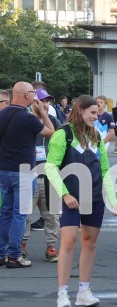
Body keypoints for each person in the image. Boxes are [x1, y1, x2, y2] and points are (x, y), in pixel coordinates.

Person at [45, 95, 117, 307]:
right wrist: (65, 194)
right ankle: (62, 293)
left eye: (97, 113)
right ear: (80, 111)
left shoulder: (96, 136)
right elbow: (50, 167)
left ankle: (84, 291)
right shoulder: (62, 134)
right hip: (71, 198)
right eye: (92, 113)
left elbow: (105, 170)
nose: (96, 116)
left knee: (90, 242)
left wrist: (112, 200)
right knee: (68, 242)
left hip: (94, 197)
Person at [0, 82, 55, 268]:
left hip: (4, 169)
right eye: (33, 93)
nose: (36, 97)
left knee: (6, 212)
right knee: (20, 214)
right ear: (26, 95)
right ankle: (15, 256)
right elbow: (51, 132)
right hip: (23, 170)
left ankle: (2, 253)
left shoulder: (3, 113)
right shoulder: (26, 117)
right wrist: (43, 113)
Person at [25, 89, 62, 263]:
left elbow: (57, 138)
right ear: (33, 102)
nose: (45, 105)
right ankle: (21, 247)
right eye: (42, 101)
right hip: (29, 174)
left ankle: (51, 248)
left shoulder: (54, 122)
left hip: (50, 176)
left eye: (48, 101)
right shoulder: (26, 121)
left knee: (52, 215)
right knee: (24, 215)